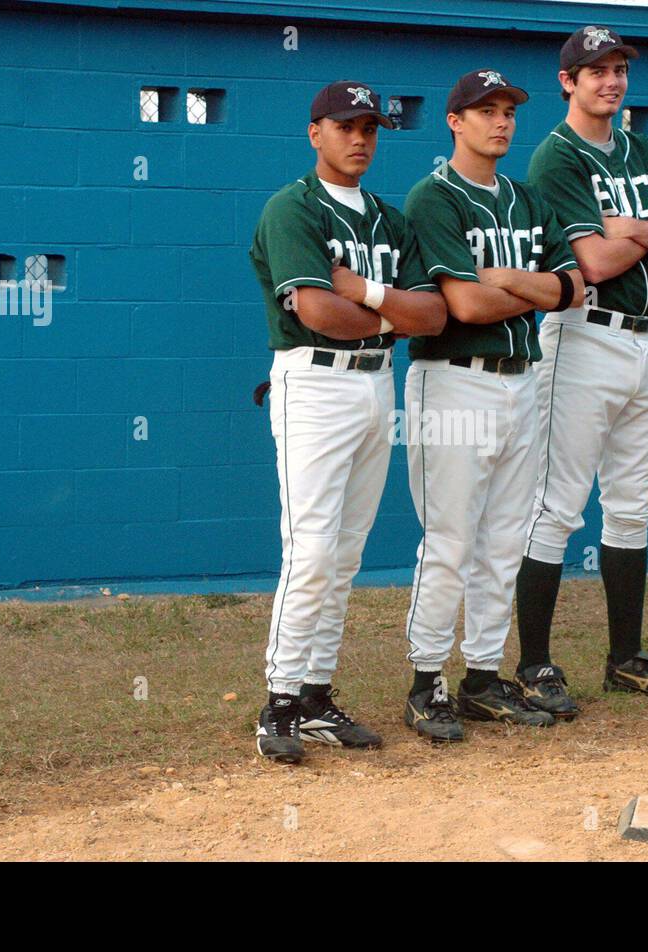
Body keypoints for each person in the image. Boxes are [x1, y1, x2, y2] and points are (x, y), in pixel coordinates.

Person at [248, 81, 446, 763]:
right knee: (310, 549)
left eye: (370, 127)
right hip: (314, 383)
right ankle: (277, 703)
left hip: (373, 385)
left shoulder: (390, 220)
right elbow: (315, 310)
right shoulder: (292, 208)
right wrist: (393, 313)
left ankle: (315, 696)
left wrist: (368, 298)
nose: (360, 137)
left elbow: (435, 315)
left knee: (347, 553)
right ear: (315, 132)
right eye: (345, 125)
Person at [517, 26, 648, 714]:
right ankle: (535, 663)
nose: (611, 80)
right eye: (595, 70)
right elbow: (591, 265)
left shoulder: (642, 147)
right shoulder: (555, 157)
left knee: (632, 504)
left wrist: (629, 229)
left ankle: (624, 658)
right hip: (584, 338)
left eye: (619, 67)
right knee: (557, 505)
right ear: (567, 81)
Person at [401, 68, 584, 741]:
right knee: (449, 541)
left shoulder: (527, 199)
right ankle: (427, 683)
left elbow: (575, 289)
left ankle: (481, 675)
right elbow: (465, 305)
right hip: (453, 379)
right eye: (485, 110)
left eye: (508, 110)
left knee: (505, 538)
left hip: (520, 378)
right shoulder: (434, 196)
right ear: (455, 120)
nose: (501, 121)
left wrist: (506, 277)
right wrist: (532, 289)